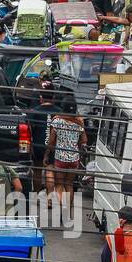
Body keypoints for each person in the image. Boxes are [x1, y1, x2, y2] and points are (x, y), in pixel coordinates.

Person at [43, 93, 86, 225]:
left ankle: (61, 209)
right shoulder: (79, 122)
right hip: (74, 159)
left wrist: (46, 155)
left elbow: (51, 141)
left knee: (59, 185)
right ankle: (68, 213)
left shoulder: (56, 121)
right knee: (69, 185)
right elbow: (84, 140)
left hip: (60, 158)